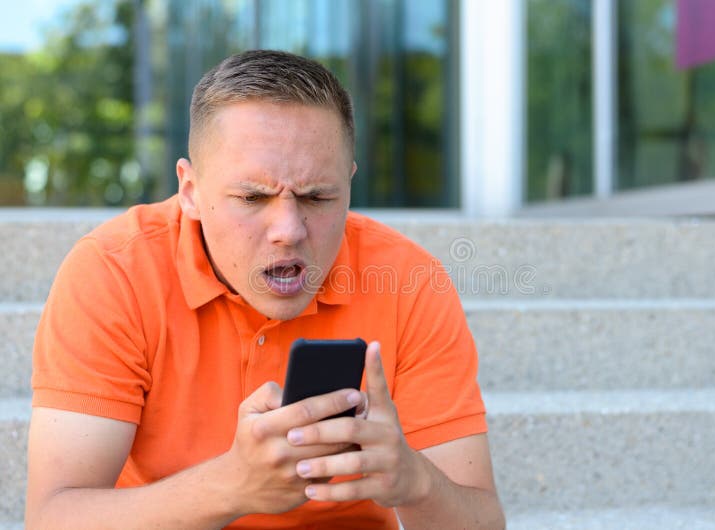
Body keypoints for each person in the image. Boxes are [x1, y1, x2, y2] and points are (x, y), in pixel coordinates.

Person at [25, 50, 505, 529]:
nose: (289, 229)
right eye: (252, 197)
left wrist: (414, 481)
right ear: (190, 191)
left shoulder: (408, 281)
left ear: (350, 184)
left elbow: (482, 520)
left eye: (318, 196)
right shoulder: (114, 272)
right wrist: (232, 486)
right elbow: (53, 518)